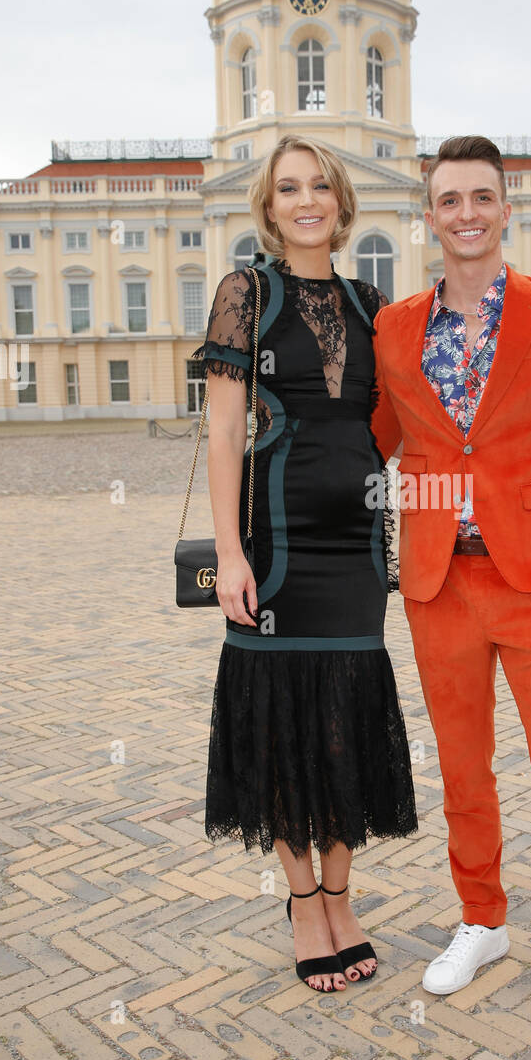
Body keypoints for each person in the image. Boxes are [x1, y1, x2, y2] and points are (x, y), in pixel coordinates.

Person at [370, 135, 531, 1046]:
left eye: (482, 197)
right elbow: (370, 444)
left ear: (504, 209)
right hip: (440, 586)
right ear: (431, 214)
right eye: (450, 200)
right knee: (462, 774)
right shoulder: (397, 328)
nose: (467, 214)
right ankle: (483, 922)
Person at [193, 135, 417, 994]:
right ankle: (301, 904)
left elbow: (400, 422)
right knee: (282, 721)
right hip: (275, 541)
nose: (306, 200)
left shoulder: (370, 304)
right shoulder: (246, 293)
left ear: (341, 200)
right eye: (288, 188)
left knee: (344, 722)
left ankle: (341, 896)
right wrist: (229, 555)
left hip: (358, 548)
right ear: (269, 205)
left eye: (319, 185)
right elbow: (221, 431)